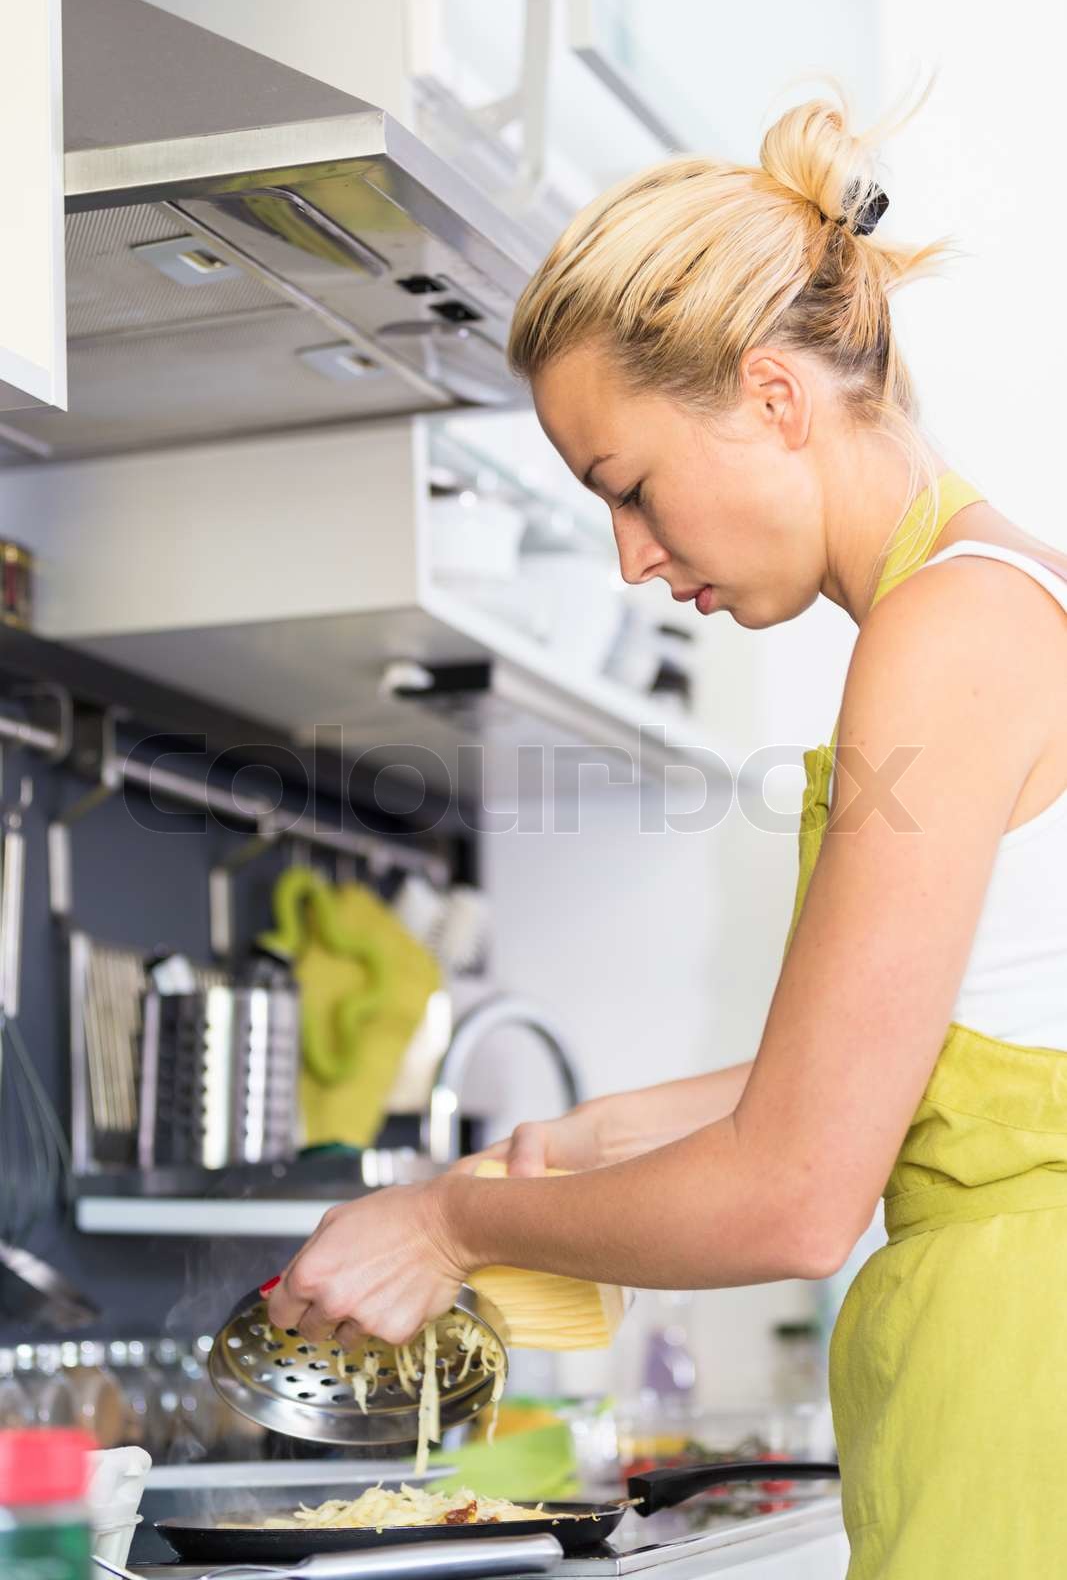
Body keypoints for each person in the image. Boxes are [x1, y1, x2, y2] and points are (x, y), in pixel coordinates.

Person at [267, 98, 1067, 1577]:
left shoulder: (946, 630)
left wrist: (449, 1219)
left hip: (1029, 1393)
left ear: (772, 397)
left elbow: (799, 1193)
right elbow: (948, 1053)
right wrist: (597, 1139)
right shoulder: (1011, 595)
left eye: (630, 488)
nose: (634, 559)